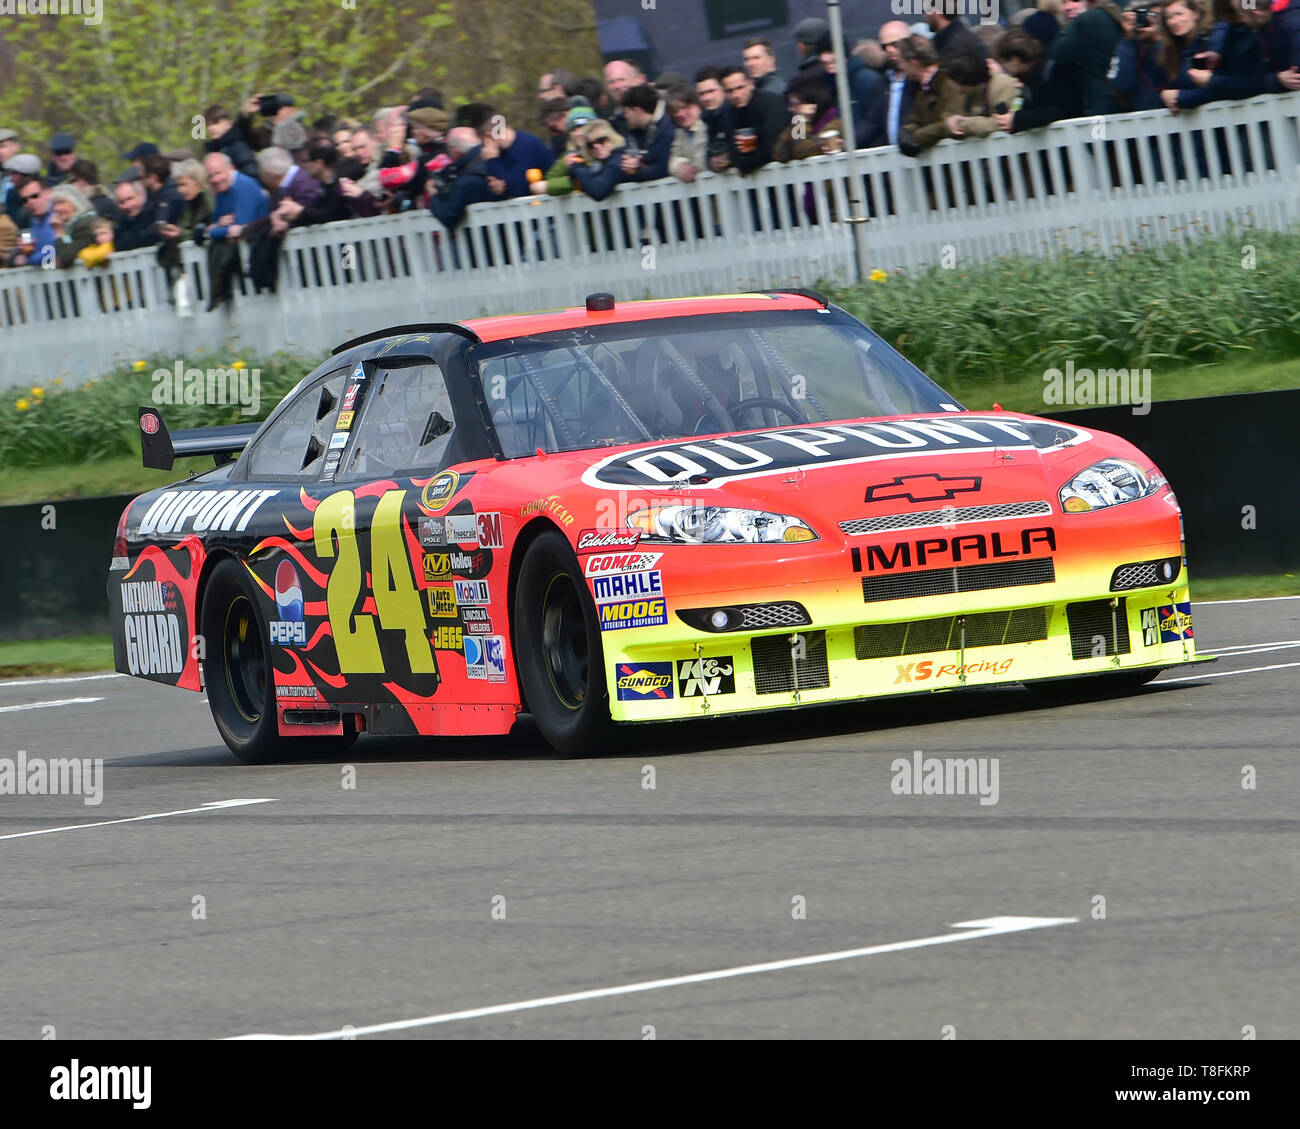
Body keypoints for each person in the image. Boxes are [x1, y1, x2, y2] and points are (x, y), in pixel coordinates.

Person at [898, 46, 1018, 153]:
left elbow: (1001, 123)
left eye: (957, 85)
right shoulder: (971, 94)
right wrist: (951, 124)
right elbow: (953, 119)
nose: (958, 91)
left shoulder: (1001, 85)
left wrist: (963, 124)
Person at [1048, 0, 1126, 115]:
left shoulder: (1088, 20)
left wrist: (1072, 26)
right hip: (1127, 102)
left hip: (1102, 106)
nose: (1068, 7)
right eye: (1064, 2)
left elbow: (1058, 52)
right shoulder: (1116, 13)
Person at [816, 30, 882, 146]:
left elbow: (874, 119)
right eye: (823, 54)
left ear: (844, 55)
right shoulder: (832, 82)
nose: (826, 58)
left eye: (831, 52)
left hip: (872, 151)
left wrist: (850, 143)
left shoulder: (866, 79)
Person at [719, 66, 789, 174]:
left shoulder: (771, 103)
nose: (736, 95)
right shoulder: (727, 114)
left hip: (783, 174)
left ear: (751, 84)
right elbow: (731, 150)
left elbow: (773, 145)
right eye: (730, 91)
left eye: (740, 88)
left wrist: (745, 164)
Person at [862, 20, 920, 147]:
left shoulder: (919, 79)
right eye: (885, 46)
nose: (889, 50)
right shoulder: (881, 83)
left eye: (895, 44)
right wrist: (846, 144)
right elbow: (870, 122)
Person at [156, 158, 214, 281]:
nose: (180, 190)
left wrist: (180, 233)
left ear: (197, 182)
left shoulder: (210, 201)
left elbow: (206, 231)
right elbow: (185, 228)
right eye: (178, 185)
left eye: (183, 184)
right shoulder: (188, 206)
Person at [430, 127, 492, 232]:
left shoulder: (465, 180)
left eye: (448, 148)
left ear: (455, 150)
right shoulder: (496, 160)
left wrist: (434, 195)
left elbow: (449, 217)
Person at [1111, 4, 1170, 112]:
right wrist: (1129, 39)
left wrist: (1157, 41)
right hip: (1145, 121)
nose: (1153, 21)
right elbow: (1122, 85)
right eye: (1143, 16)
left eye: (1157, 16)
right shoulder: (1129, 48)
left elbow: (1172, 77)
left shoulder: (1177, 45)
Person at [480, 115, 554, 198]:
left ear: (489, 136)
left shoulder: (528, 145)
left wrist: (493, 160)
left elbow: (517, 190)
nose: (483, 148)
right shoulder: (497, 153)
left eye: (484, 142)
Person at [617, 84, 675, 183]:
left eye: (626, 112)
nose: (625, 117)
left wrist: (637, 171)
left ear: (636, 110)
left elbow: (664, 168)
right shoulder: (647, 131)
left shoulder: (666, 129)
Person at [569, 120, 629, 200]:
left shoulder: (619, 160)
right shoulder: (595, 166)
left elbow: (598, 191)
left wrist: (579, 169)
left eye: (601, 140)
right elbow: (579, 186)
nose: (596, 146)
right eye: (590, 145)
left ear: (611, 139)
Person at [4, 177, 55, 265]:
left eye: (35, 196)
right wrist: (23, 253)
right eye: (25, 200)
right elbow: (23, 254)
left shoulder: (60, 216)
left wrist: (28, 260)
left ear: (48, 193)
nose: (30, 202)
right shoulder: (32, 222)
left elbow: (54, 254)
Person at [201, 105, 260, 179]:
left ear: (229, 124)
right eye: (208, 125)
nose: (211, 128)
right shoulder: (215, 149)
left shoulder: (238, 146)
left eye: (215, 123)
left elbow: (251, 174)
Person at [49, 185, 100, 269]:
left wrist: (58, 232)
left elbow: (66, 258)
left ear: (75, 202)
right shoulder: (72, 225)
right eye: (55, 204)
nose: (56, 208)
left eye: (61, 202)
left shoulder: (85, 224)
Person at [695, 67, 735, 171]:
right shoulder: (703, 121)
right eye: (702, 94)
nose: (706, 98)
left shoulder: (737, 112)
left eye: (711, 91)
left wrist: (730, 159)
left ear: (724, 89)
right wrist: (710, 163)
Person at [667, 88, 709, 182]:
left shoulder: (708, 126)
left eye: (685, 107)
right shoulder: (680, 133)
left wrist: (695, 169)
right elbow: (673, 159)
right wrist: (681, 167)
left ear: (697, 105)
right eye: (675, 111)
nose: (680, 114)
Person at [111, 176, 158, 251]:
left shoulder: (156, 213)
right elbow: (118, 245)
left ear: (142, 195)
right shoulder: (120, 224)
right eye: (121, 202)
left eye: (130, 199)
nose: (127, 205)